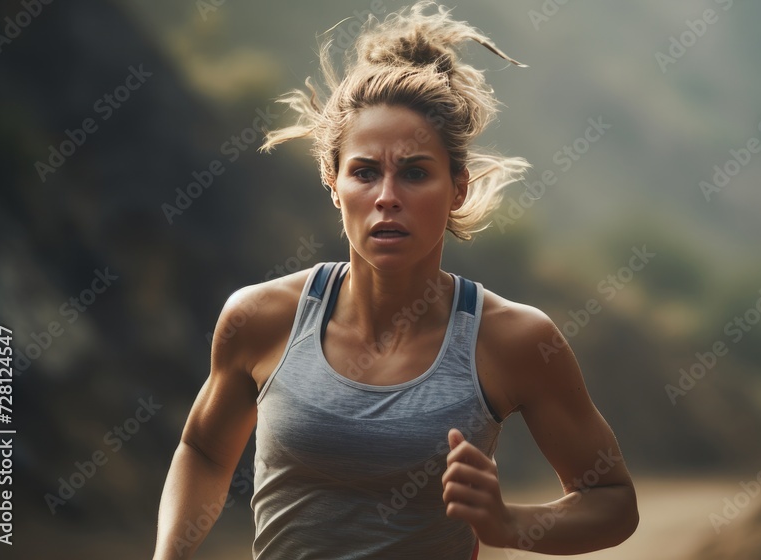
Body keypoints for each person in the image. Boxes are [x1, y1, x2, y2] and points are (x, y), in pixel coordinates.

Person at [152, 3, 638, 558]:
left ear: (457, 187)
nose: (387, 197)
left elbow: (612, 500)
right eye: (364, 172)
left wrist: (509, 524)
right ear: (333, 184)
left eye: (414, 172)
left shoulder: (513, 340)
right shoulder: (259, 318)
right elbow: (204, 451)